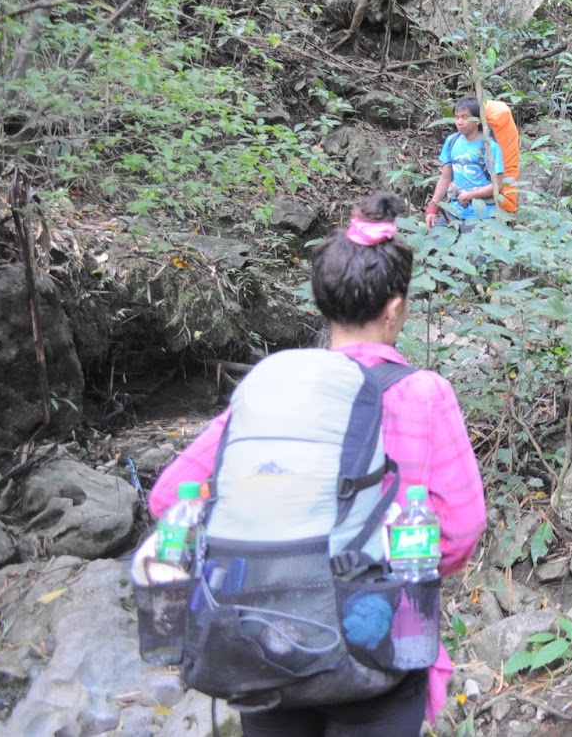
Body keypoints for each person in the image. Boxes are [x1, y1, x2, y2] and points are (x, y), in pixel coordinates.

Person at [150, 193, 488, 735]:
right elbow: (462, 529)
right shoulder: (424, 394)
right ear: (396, 308)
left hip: (263, 640)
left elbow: (171, 496)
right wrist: (399, 573)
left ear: (322, 305)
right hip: (376, 648)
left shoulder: (273, 391)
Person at [426, 97, 505, 227]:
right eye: (457, 117)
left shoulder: (490, 147)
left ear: (477, 120)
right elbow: (445, 177)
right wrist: (433, 207)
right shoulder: (452, 141)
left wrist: (470, 195)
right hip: (453, 211)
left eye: (465, 117)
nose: (459, 122)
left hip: (482, 215)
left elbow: (498, 185)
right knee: (433, 244)